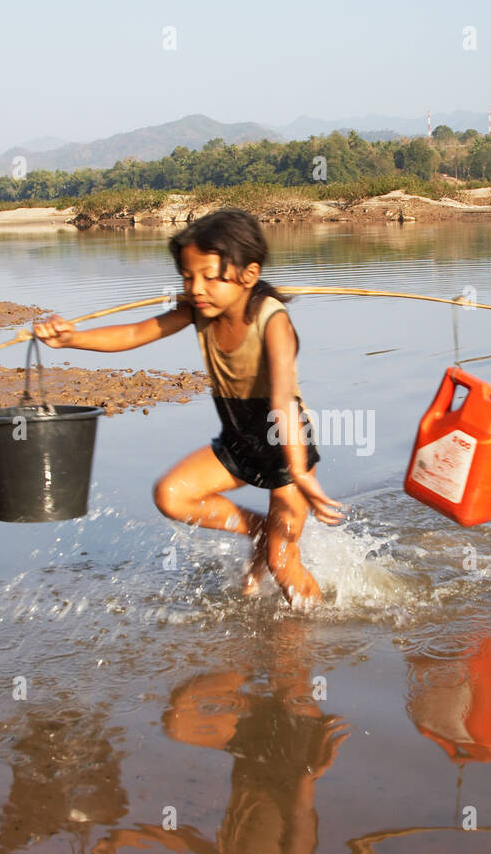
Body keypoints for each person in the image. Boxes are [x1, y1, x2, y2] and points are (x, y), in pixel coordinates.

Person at [33, 208, 344, 608]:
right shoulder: (198, 310)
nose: (196, 288)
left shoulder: (273, 321)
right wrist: (71, 339)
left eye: (209, 277)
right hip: (238, 437)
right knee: (171, 496)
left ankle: (304, 643)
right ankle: (259, 529)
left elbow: (283, 399)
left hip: (284, 443)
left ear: (247, 275)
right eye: (187, 276)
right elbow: (134, 332)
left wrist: (299, 471)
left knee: (283, 562)